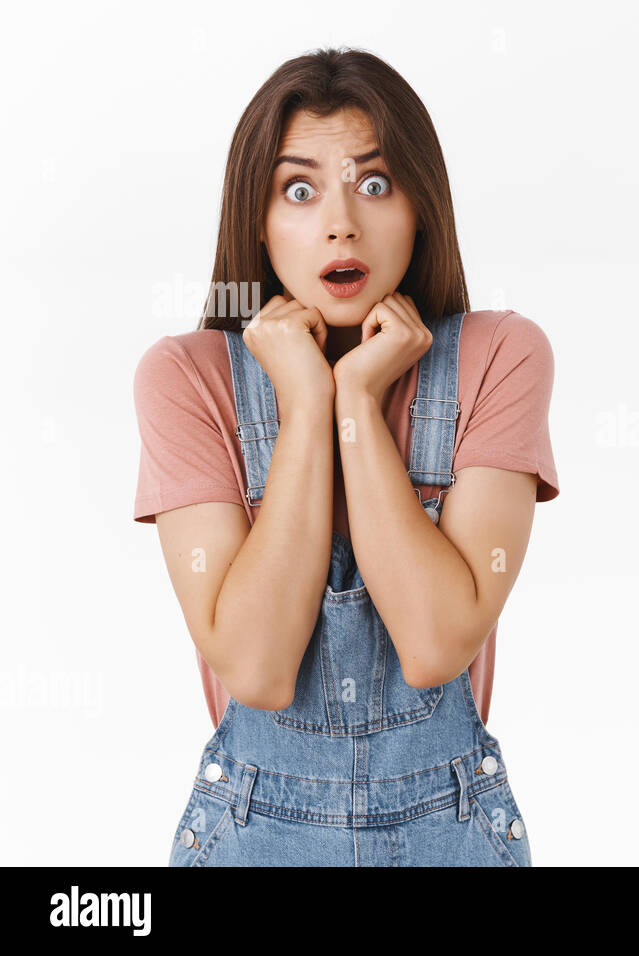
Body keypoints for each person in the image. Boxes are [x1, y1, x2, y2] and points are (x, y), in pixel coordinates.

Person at [132, 47, 559, 866]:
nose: (341, 223)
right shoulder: (186, 379)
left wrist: (359, 399)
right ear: (256, 219)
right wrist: (306, 404)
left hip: (451, 835)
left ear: (421, 206)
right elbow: (258, 668)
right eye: (300, 189)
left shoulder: (501, 357)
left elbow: (437, 645)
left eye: (374, 183)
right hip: (249, 838)